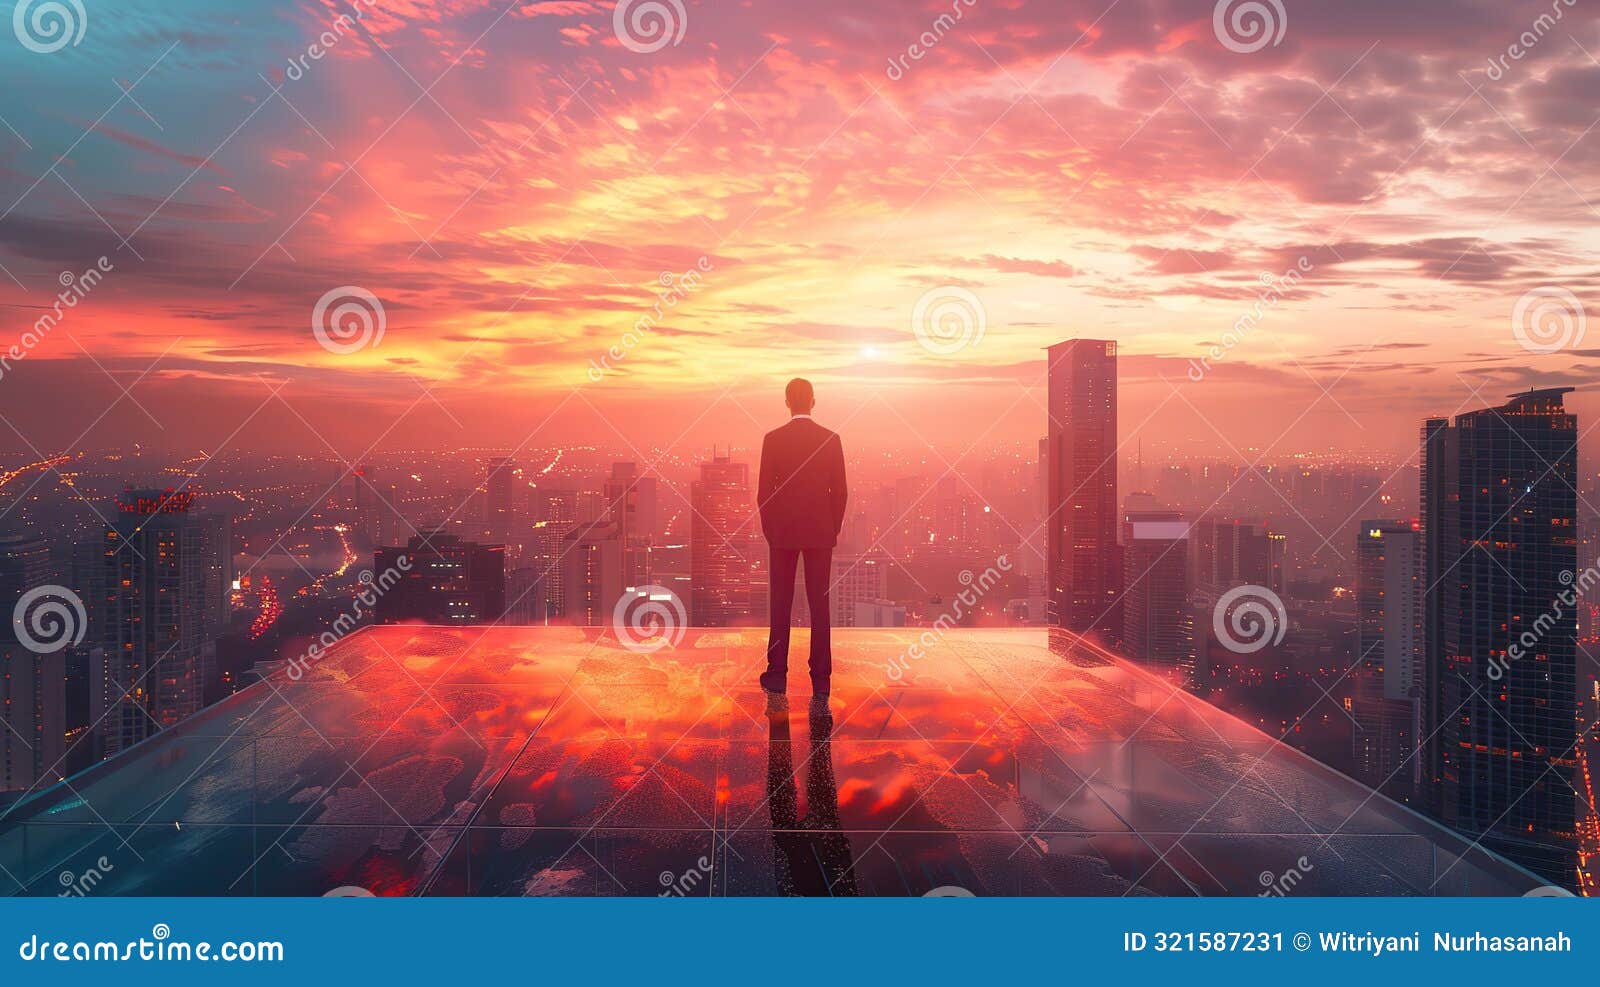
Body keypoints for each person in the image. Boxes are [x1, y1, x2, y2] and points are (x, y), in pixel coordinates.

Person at [756, 378, 847, 696]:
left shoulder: (773, 439)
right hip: (820, 532)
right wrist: (831, 528)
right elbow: (840, 491)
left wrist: (771, 530)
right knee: (819, 604)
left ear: (786, 401)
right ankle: (821, 673)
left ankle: (777, 672)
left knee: (780, 602)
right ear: (813, 400)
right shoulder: (831, 439)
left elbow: (764, 493)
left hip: (782, 533)